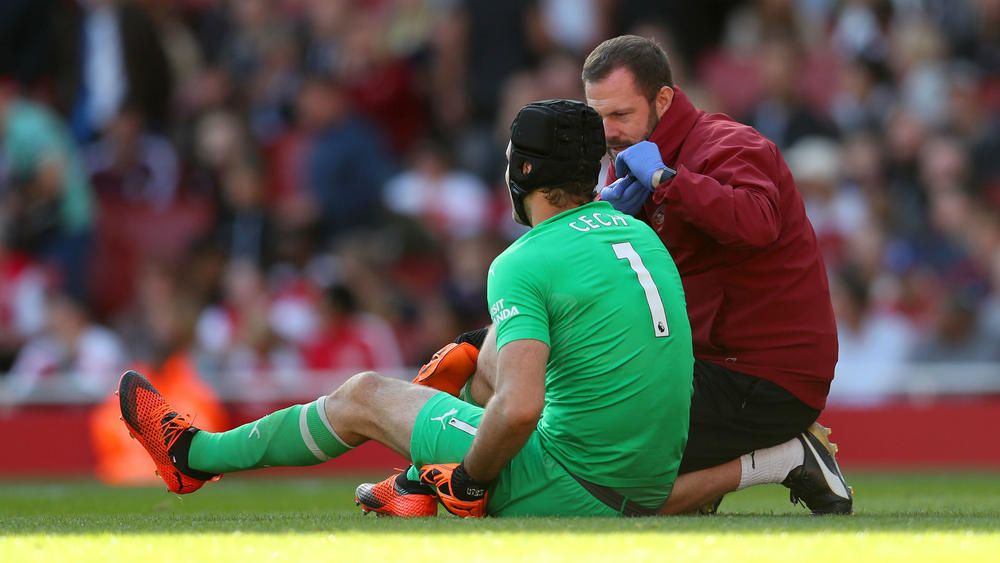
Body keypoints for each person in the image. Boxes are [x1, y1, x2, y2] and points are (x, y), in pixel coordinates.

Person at [118, 99, 695, 517]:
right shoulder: (640, 234)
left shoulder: (522, 261)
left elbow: (521, 409)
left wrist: (471, 480)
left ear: (523, 171)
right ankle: (415, 486)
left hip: (569, 488)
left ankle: (193, 455)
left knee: (364, 394)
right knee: (487, 356)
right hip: (643, 484)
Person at [584, 35, 850, 514]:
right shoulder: (628, 166)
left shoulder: (729, 143)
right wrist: (605, 221)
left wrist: (667, 182)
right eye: (597, 116)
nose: (607, 131)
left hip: (765, 374)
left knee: (610, 470)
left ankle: (788, 458)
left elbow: (757, 222)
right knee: (604, 464)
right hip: (706, 368)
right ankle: (709, 483)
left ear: (663, 100)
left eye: (620, 114)